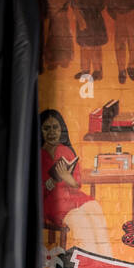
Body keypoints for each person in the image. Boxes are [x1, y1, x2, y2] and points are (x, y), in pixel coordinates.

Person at [40, 109, 112, 256]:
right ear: (40, 130)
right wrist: (54, 180)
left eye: (55, 127)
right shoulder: (38, 155)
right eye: (47, 128)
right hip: (52, 203)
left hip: (73, 197)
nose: (52, 132)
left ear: (61, 130)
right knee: (81, 220)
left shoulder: (65, 150)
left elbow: (76, 184)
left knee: (95, 208)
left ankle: (107, 262)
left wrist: (66, 176)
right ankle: (92, 265)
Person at [71, 0, 107, 81]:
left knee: (96, 45)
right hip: (82, 17)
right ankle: (85, 70)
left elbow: (103, 3)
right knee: (84, 45)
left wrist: (93, 11)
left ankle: (97, 71)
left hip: (95, 18)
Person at [43, 0, 78, 71]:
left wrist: (81, 21)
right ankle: (52, 61)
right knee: (51, 40)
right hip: (51, 22)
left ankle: (64, 60)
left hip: (63, 22)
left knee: (64, 39)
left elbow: (75, 8)